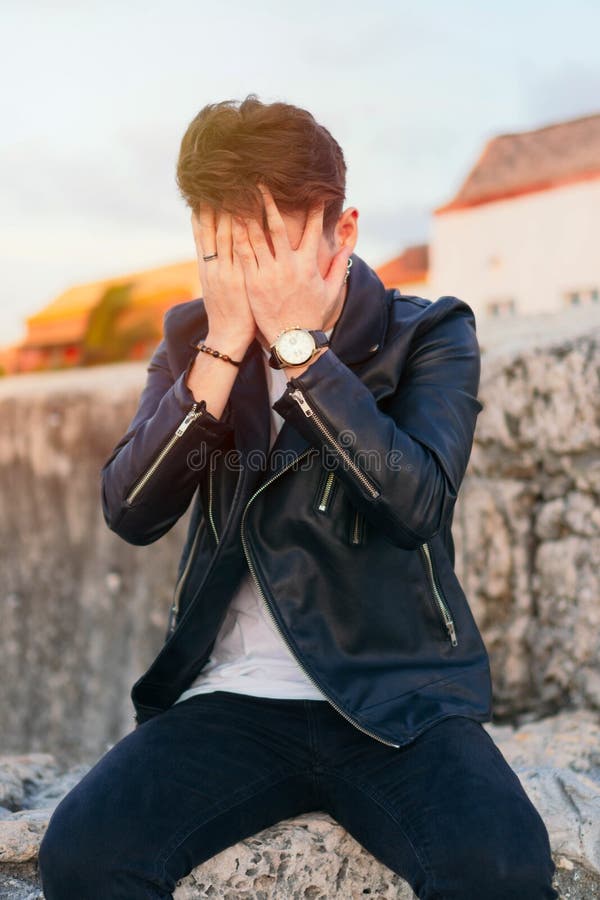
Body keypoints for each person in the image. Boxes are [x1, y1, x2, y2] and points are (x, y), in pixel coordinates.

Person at [38, 94, 558, 899]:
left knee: (502, 866)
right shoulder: (192, 340)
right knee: (82, 854)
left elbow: (415, 502)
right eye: (224, 251)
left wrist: (300, 354)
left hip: (396, 696)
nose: (247, 277)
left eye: (269, 249)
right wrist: (220, 353)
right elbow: (130, 509)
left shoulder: (429, 334)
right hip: (230, 702)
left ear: (340, 233)